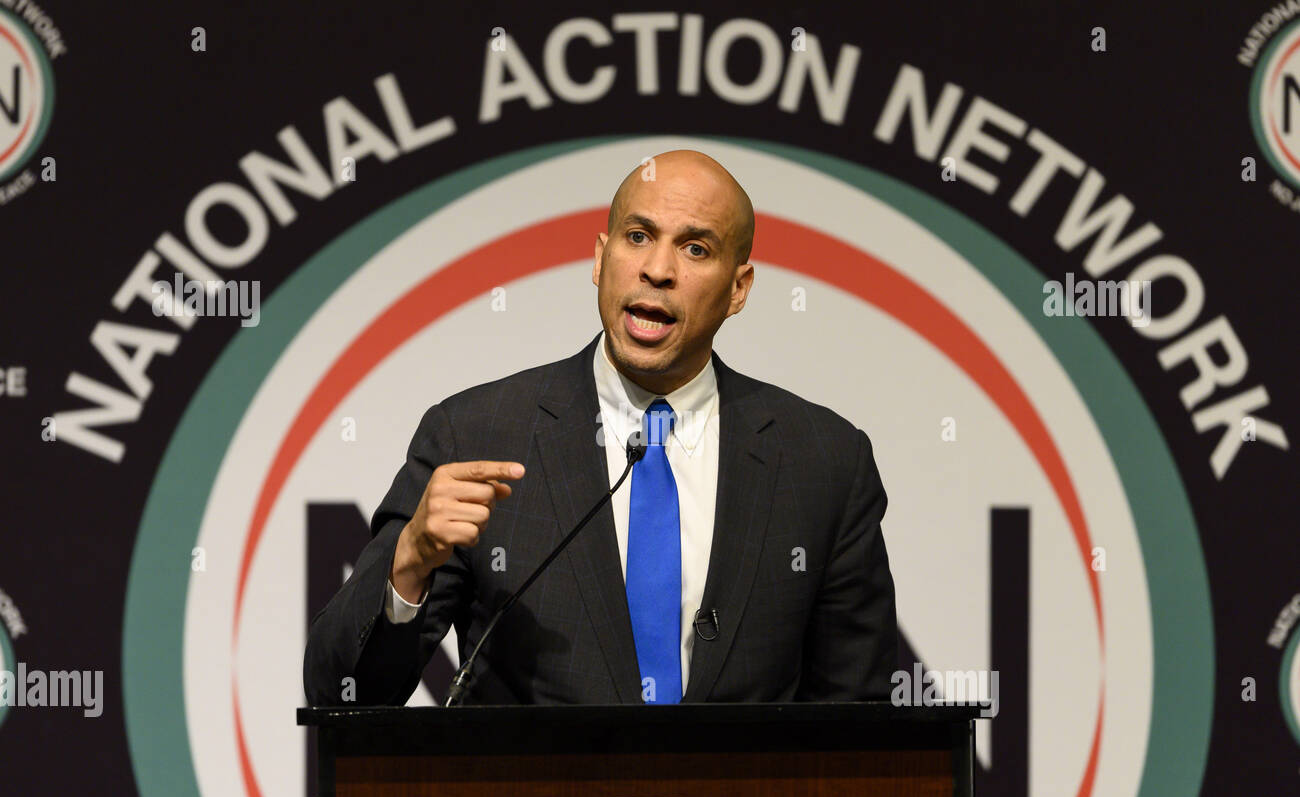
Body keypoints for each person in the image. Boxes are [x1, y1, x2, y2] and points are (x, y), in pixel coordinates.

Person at [304, 149, 898, 706]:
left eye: (695, 249)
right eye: (638, 237)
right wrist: (409, 562)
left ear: (738, 288)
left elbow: (863, 731)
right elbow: (343, 694)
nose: (657, 269)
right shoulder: (476, 435)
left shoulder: (824, 462)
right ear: (600, 257)